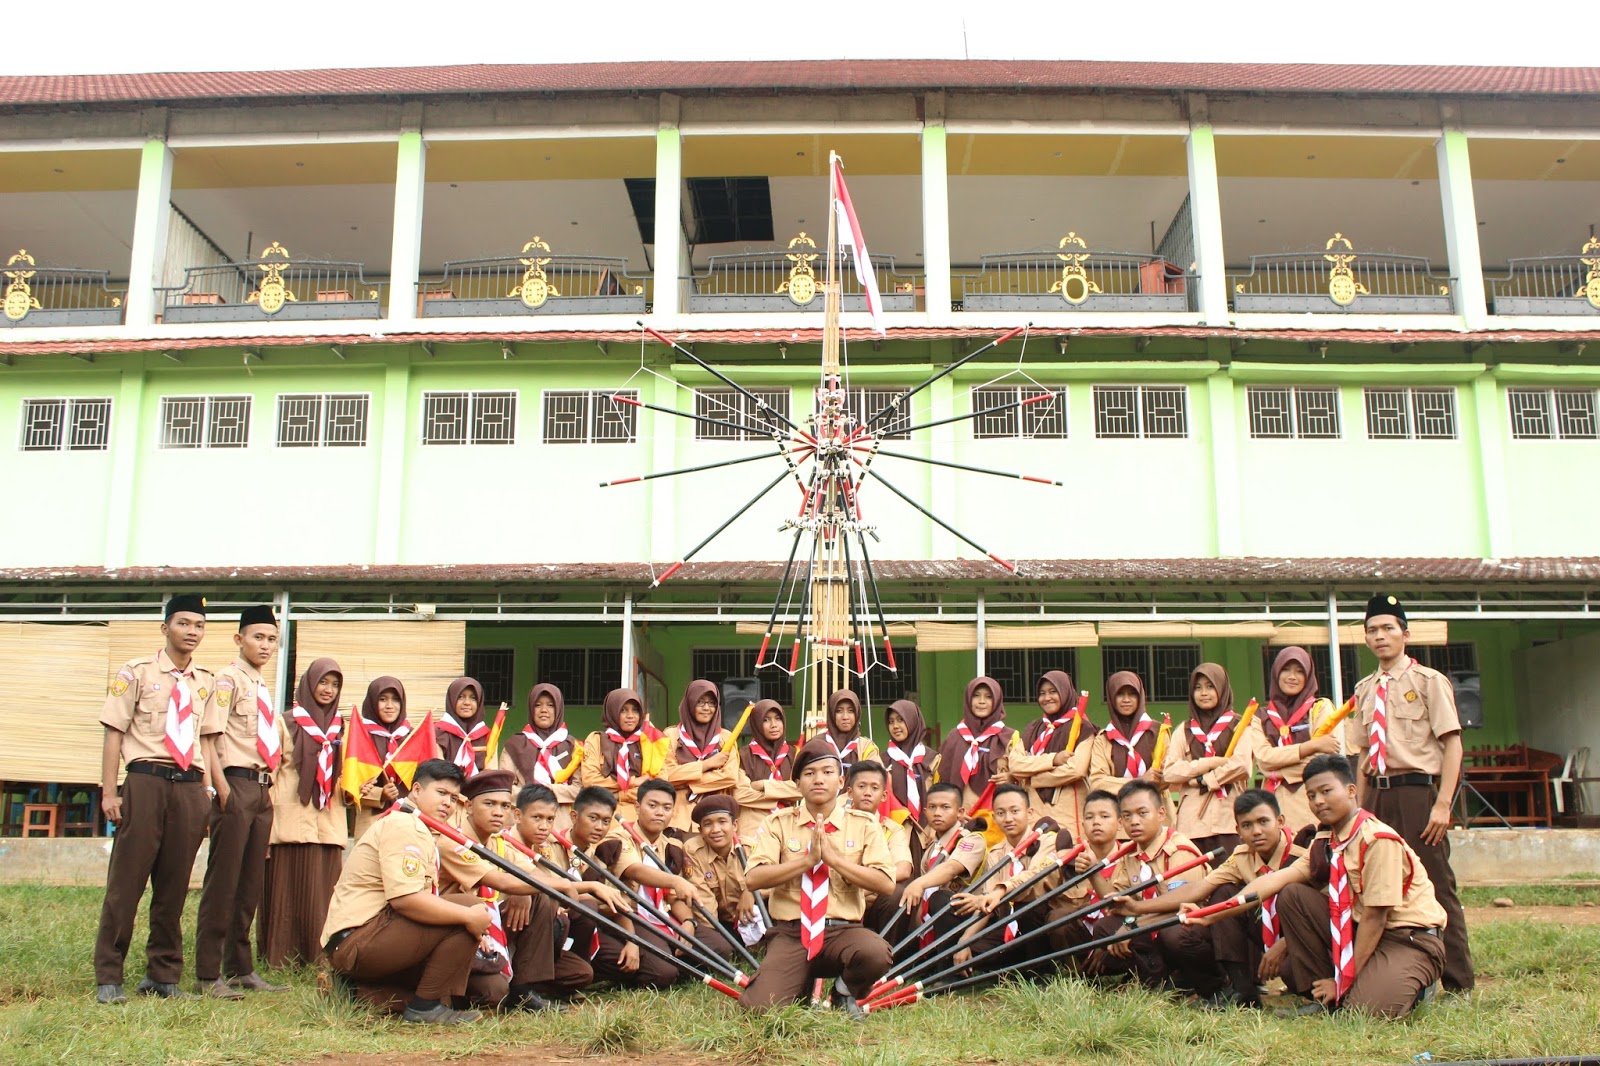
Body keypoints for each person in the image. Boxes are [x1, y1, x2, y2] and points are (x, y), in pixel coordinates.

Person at [1188, 754, 1448, 1018]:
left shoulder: (1377, 840)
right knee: (1293, 895)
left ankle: (1405, 985)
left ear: (1350, 790)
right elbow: (1274, 880)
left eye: (1326, 791)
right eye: (1311, 795)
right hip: (1359, 932)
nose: (1318, 801)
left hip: (1406, 939)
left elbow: (1376, 917)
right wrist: (1210, 915)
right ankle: (1326, 996)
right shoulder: (1325, 841)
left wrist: (1345, 979)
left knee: (1363, 1012)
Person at [94, 594, 221, 1004]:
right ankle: (109, 976)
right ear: (165, 627)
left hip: (189, 786)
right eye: (183, 623)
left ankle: (163, 975)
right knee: (126, 883)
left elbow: (208, 740)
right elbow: (114, 732)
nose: (192, 632)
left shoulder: (205, 681)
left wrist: (209, 793)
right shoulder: (136, 673)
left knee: (175, 885)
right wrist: (110, 791)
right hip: (146, 780)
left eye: (199, 626)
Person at [1353, 594, 1473, 995]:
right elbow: (1363, 756)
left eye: (1388, 628)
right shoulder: (1365, 689)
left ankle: (1458, 982)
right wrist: (1359, 810)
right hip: (1377, 798)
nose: (1380, 636)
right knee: (1378, 887)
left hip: (1418, 796)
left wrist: (1443, 804)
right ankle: (1391, 971)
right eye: (1373, 630)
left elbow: (1452, 744)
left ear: (1405, 633)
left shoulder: (1429, 682)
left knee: (1436, 884)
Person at [320, 759, 487, 1024]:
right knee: (466, 909)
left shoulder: (418, 826)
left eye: (454, 798)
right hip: (359, 938)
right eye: (441, 793)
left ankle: (356, 993)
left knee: (463, 910)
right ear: (418, 790)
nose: (448, 803)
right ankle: (425, 1007)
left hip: (366, 936)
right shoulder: (404, 825)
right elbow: (406, 901)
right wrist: (469, 917)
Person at [740, 737, 895, 1014]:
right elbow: (753, 878)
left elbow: (885, 883)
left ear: (840, 780)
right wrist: (807, 861)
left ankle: (842, 991)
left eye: (827, 772)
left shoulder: (863, 824)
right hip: (792, 933)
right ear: (797, 783)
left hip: (843, 931)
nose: (818, 780)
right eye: (809, 774)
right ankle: (798, 984)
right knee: (759, 1010)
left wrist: (834, 860)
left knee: (875, 954)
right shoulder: (778, 823)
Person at [1118, 787, 1307, 1009]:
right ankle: (1241, 991)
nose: (1256, 831)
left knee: (1292, 972)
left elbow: (1322, 915)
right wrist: (1136, 909)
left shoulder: (1303, 852)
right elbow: (1199, 888)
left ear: (1280, 821)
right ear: (1237, 830)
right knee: (1223, 893)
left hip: (1301, 939)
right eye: (1247, 825)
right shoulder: (1241, 857)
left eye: (1263, 822)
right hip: (1260, 936)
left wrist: (1285, 944)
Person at [434, 771, 591, 1011]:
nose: (498, 812)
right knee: (493, 994)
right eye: (489, 804)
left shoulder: (498, 842)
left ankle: (525, 988)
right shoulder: (452, 841)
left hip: (490, 926)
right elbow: (500, 881)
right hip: (457, 930)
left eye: (504, 805)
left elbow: (532, 876)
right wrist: (560, 884)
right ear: (467, 806)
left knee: (542, 901)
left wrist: (529, 890)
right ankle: (458, 988)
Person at [195, 605, 288, 1000]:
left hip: (261, 788)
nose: (265, 645)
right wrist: (220, 789)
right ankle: (206, 973)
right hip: (235, 783)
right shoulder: (228, 679)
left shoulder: (261, 684)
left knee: (249, 882)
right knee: (224, 881)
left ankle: (240, 968)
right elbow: (208, 737)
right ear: (239, 639)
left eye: (271, 639)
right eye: (258, 637)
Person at [260, 656, 347, 969]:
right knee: (287, 889)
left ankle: (319, 955)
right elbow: (269, 771)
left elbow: (348, 775)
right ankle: (281, 957)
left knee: (324, 892)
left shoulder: (342, 726)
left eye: (335, 684)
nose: (328, 689)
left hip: (328, 820)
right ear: (309, 684)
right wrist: (264, 825)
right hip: (289, 819)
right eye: (323, 682)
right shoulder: (285, 721)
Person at [1091, 779, 1216, 995]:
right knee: (1106, 927)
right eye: (1127, 816)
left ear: (1160, 814)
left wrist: (1131, 924)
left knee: (1174, 933)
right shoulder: (1131, 853)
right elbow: (1116, 901)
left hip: (1194, 924)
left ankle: (1210, 984)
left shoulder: (1179, 850)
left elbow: (1181, 906)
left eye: (1142, 813)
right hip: (1152, 923)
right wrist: (1093, 873)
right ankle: (1157, 978)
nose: (1134, 822)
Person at [609, 778, 735, 974]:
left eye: (667, 808)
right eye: (653, 805)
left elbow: (672, 896)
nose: (660, 812)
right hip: (633, 916)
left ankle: (672, 962)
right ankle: (666, 966)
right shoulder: (619, 837)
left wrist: (688, 921)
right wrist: (676, 881)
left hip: (664, 913)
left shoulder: (672, 846)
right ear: (637, 806)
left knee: (721, 949)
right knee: (663, 973)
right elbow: (635, 870)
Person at [562, 784, 674, 989]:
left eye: (606, 821)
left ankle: (584, 972)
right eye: (593, 818)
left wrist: (632, 941)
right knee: (587, 906)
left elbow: (616, 902)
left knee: (654, 970)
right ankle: (570, 972)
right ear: (574, 816)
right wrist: (592, 888)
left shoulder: (603, 849)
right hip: (559, 928)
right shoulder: (551, 846)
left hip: (600, 926)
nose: (599, 827)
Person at [949, 783, 1052, 975]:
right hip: (1006, 924)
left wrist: (1002, 889)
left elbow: (1035, 876)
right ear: (994, 817)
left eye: (1015, 811)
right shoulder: (995, 853)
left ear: (1029, 813)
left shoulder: (1047, 841)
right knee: (968, 950)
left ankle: (1039, 973)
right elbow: (987, 903)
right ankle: (1007, 966)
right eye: (1001, 813)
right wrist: (965, 941)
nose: (1008, 818)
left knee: (1028, 907)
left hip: (1039, 924)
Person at [1162, 663, 1261, 857]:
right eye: (1198, 688)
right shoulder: (1184, 729)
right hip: (1191, 821)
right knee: (1192, 877)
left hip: (1229, 819)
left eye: (1210, 686)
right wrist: (1210, 763)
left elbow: (1242, 766)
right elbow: (1170, 771)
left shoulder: (1239, 725)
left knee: (1230, 879)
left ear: (1222, 689)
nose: (1203, 693)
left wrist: (1203, 780)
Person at [1253, 648, 1349, 838]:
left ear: (1308, 676)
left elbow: (1322, 762)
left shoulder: (1321, 708)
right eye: (1286, 670)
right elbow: (1263, 759)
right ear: (1276, 673)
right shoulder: (1260, 716)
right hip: (1272, 807)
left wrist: (1275, 771)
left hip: (1312, 805)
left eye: (1299, 671)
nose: (1292, 677)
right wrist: (1310, 746)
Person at [889, 782, 987, 963]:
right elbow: (924, 897)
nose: (937, 813)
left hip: (973, 921)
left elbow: (951, 869)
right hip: (934, 924)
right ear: (925, 812)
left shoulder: (971, 839)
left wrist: (918, 883)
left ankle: (947, 970)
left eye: (945, 807)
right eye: (932, 807)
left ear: (960, 812)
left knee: (941, 898)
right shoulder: (931, 849)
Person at [1008, 671, 1096, 842]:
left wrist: (1032, 779)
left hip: (1069, 817)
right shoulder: (1033, 729)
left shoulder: (1082, 728)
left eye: (1053, 691)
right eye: (1042, 693)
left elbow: (1075, 770)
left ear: (1065, 692)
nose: (1046, 698)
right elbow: (1015, 765)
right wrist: (1053, 760)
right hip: (1034, 815)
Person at [847, 760, 916, 933]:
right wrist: (856, 892)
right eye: (861, 786)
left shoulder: (893, 830)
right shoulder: (835, 825)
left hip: (875, 902)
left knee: (898, 894)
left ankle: (890, 956)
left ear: (884, 796)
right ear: (849, 792)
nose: (867, 793)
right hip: (842, 898)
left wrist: (868, 887)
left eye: (874, 788)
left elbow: (903, 869)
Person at [661, 680, 738, 832]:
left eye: (711, 703)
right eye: (700, 702)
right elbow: (666, 776)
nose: (706, 708)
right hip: (678, 819)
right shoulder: (670, 735)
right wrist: (706, 765)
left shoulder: (726, 737)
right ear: (689, 703)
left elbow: (730, 777)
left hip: (716, 820)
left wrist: (689, 784)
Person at [934, 677, 1020, 810]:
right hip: (959, 815)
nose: (981, 702)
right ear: (968, 700)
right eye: (976, 696)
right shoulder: (954, 737)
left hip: (998, 815)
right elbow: (940, 777)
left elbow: (1022, 774)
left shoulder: (1009, 737)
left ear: (997, 701)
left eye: (988, 697)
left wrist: (1012, 777)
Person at [499, 683, 583, 820]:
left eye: (550, 705)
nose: (544, 710)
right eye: (537, 705)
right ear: (531, 709)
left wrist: (543, 791)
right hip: (522, 819)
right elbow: (505, 787)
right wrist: (532, 796)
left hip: (561, 820)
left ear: (559, 709)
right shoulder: (514, 745)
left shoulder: (574, 746)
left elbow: (578, 789)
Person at [682, 795, 759, 942]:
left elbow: (771, 881)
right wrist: (719, 937)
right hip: (719, 922)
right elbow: (704, 900)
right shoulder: (693, 851)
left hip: (751, 916)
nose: (716, 830)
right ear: (700, 830)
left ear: (734, 825)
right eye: (708, 824)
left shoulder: (750, 848)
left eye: (722, 822)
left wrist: (750, 892)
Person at [1086, 671, 1163, 799]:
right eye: (1120, 694)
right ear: (1111, 698)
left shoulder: (1157, 731)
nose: (1126, 700)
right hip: (1118, 811)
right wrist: (1140, 781)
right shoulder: (1104, 738)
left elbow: (1167, 775)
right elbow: (1097, 782)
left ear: (1140, 696)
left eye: (1132, 694)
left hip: (1154, 809)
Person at [733, 699, 799, 842]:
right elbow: (740, 795)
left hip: (788, 823)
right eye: (766, 720)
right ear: (756, 724)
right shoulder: (743, 755)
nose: (774, 725)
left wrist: (762, 785)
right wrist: (781, 795)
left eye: (778, 719)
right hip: (753, 827)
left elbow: (801, 790)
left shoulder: (794, 754)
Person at [352, 677, 410, 839]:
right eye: (382, 699)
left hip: (408, 820)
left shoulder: (412, 737)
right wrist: (380, 794)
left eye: (395, 700)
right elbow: (350, 782)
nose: (390, 706)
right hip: (371, 821)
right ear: (372, 702)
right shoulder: (360, 736)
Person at [581, 688, 647, 823]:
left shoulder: (648, 742)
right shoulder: (596, 739)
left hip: (639, 817)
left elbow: (655, 784)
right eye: (623, 710)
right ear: (612, 711)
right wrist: (633, 782)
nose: (630, 715)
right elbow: (590, 780)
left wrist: (619, 794)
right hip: (603, 815)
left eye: (635, 710)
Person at [881, 699, 933, 830]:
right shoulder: (882, 761)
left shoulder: (933, 759)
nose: (895, 726)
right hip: (896, 832)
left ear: (913, 721)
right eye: (891, 721)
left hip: (930, 832)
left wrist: (934, 830)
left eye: (900, 720)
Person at [437, 676, 489, 777]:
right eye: (460, 697)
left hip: (480, 790)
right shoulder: (438, 733)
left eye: (473, 698)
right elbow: (437, 771)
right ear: (451, 700)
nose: (467, 702)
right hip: (446, 789)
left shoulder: (487, 736)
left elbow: (491, 772)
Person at [822, 688, 880, 776]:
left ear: (857, 713)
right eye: (839, 711)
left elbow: (876, 779)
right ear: (831, 713)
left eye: (851, 711)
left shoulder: (866, 747)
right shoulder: (818, 744)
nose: (845, 717)